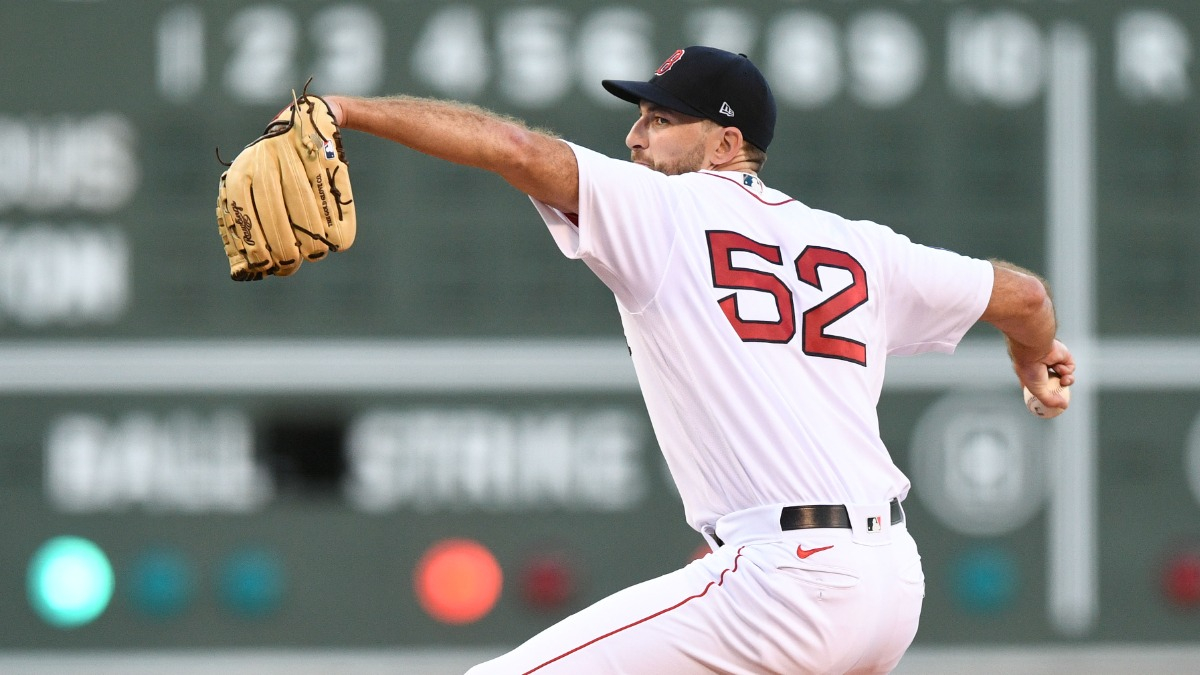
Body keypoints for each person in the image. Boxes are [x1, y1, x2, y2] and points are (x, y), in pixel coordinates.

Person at [324, 46, 1075, 674]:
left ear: (724, 143)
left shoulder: (666, 211)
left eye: (660, 119)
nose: (635, 139)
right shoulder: (863, 248)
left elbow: (516, 148)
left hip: (788, 579)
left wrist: (349, 112)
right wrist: (1034, 359)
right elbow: (1027, 296)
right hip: (891, 581)